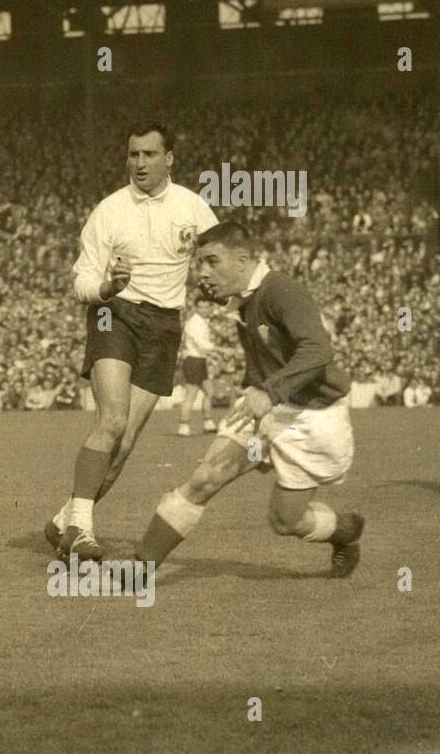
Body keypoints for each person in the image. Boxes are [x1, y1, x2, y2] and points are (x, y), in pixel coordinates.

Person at [124, 221, 363, 580]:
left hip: (311, 419)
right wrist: (260, 393)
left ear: (242, 259)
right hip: (266, 408)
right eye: (199, 263)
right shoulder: (242, 300)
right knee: (205, 478)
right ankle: (139, 569)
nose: (203, 273)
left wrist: (269, 391)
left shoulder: (282, 290)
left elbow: (318, 350)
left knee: (285, 521)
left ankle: (344, 532)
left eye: (211, 261)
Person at [44, 123, 218, 560]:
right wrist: (106, 287)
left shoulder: (193, 208)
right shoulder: (109, 211)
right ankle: (82, 530)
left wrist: (218, 284)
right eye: (133, 154)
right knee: (112, 421)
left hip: (163, 326)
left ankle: (65, 521)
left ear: (169, 158)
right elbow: (82, 279)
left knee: (121, 449)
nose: (139, 163)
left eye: (149, 154)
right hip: (114, 313)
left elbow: (218, 260)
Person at [177, 296, 219, 436]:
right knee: (191, 394)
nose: (204, 310)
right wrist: (219, 349)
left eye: (206, 307)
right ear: (196, 308)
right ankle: (184, 425)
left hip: (201, 361)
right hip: (193, 360)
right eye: (201, 307)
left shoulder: (203, 322)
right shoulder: (193, 323)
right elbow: (202, 344)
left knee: (209, 391)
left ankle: (208, 423)